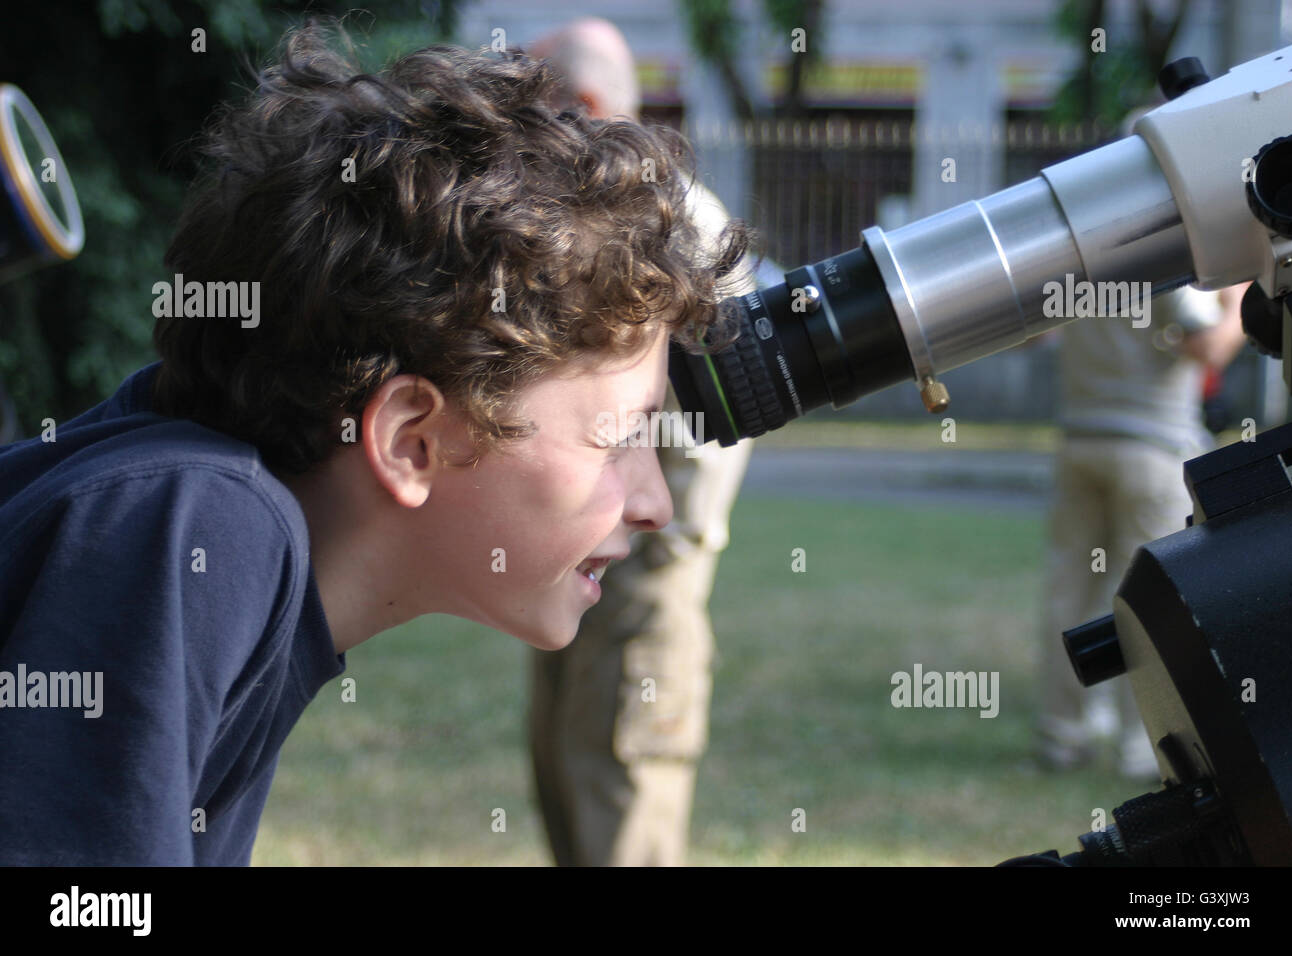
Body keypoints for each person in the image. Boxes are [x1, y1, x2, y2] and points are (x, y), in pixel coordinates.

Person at [0, 20, 748, 865]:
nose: (654, 505)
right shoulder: (198, 525)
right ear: (408, 441)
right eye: (618, 439)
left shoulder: (218, 529)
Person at [526, 18, 756, 866]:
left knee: (624, 803)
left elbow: (718, 411)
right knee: (566, 773)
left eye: (534, 103)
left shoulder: (669, 215)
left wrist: (649, 537)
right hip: (584, 550)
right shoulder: (606, 206)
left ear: (583, 104)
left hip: (642, 567)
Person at [1038, 280, 1247, 780]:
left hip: (1081, 440)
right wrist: (1238, 302)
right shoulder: (1162, 267)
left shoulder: (1075, 269)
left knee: (1068, 592)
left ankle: (1060, 734)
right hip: (1152, 448)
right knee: (1154, 602)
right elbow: (1210, 347)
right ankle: (1144, 747)